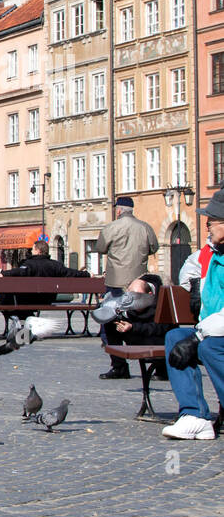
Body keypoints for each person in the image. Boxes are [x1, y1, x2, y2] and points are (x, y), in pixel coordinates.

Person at [161, 187, 224, 440]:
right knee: (175, 337)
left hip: (216, 334)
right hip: (214, 331)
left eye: (212, 221)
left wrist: (197, 336)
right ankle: (195, 415)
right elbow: (186, 274)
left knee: (210, 348)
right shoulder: (212, 255)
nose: (206, 226)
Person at [97, 275, 172, 380]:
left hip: (156, 338)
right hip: (136, 333)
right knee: (110, 324)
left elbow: (161, 328)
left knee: (164, 333)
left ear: (149, 295)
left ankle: (162, 368)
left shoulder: (163, 300)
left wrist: (133, 327)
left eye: (137, 297)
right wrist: (117, 318)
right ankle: (119, 367)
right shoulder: (127, 299)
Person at [97, 196, 159, 299]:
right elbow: (154, 248)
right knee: (136, 307)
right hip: (138, 278)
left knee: (115, 307)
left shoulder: (110, 228)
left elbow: (101, 248)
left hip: (115, 280)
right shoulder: (145, 227)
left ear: (119, 211)